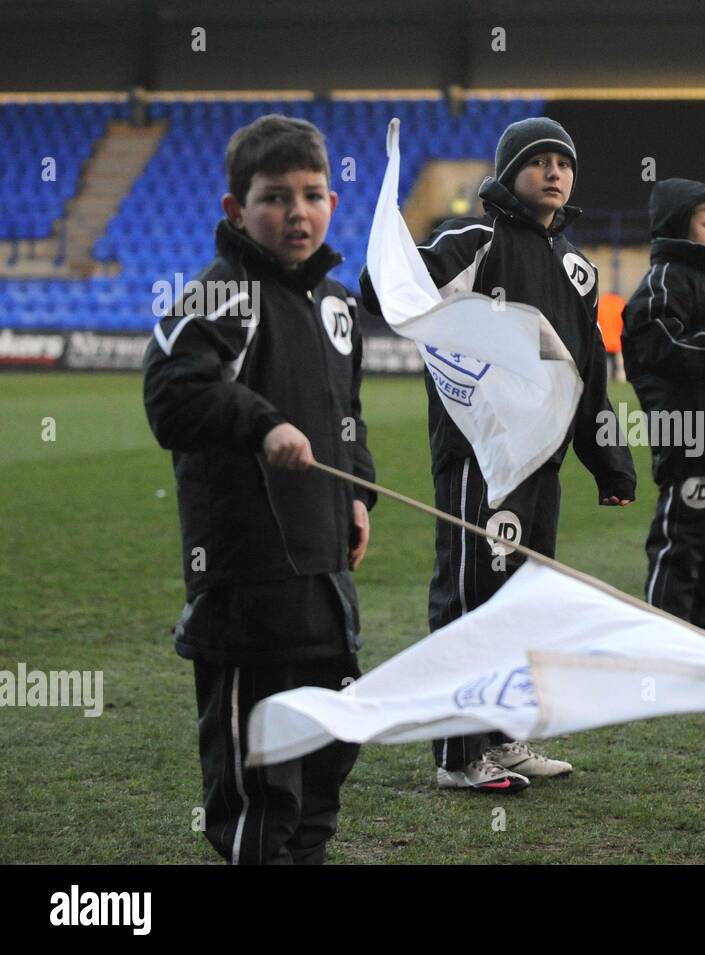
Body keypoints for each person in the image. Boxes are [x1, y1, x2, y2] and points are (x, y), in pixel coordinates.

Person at [360, 117, 636, 793]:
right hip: (477, 457)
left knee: (523, 601)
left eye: (562, 161)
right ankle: (458, 753)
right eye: (537, 160)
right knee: (470, 595)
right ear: (508, 171)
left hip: (540, 461)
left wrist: (610, 460)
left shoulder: (577, 268)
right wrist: (388, 270)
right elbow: (389, 290)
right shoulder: (472, 240)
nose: (553, 171)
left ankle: (505, 736)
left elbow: (587, 370)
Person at [143, 115, 375, 864]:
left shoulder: (340, 307)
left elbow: (347, 415)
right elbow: (171, 393)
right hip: (247, 593)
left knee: (325, 768)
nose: (297, 212)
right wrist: (261, 423)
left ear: (333, 204)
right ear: (235, 210)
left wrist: (359, 491)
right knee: (261, 790)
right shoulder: (218, 298)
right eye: (275, 197)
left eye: (312, 195)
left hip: (325, 588)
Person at [621, 178, 705, 633]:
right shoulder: (665, 280)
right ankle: (666, 637)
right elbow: (659, 344)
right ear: (681, 225)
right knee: (681, 542)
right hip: (691, 444)